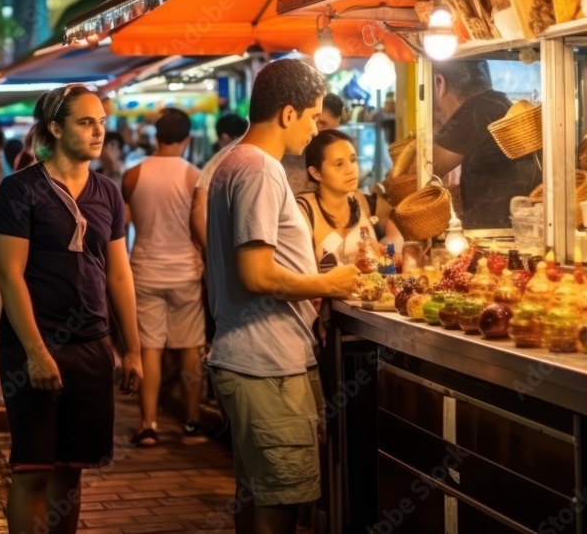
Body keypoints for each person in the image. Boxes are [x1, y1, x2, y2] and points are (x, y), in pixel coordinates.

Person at [206, 59, 361, 534]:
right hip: (265, 364)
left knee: (258, 493)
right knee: (279, 505)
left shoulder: (235, 160)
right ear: (289, 113)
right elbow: (255, 274)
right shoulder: (260, 170)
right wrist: (327, 284)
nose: (317, 128)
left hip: (257, 360)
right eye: (315, 117)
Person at [0, 83, 143, 534]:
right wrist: (36, 352)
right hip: (33, 345)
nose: (99, 132)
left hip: (92, 344)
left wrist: (131, 348)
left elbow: (119, 274)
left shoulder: (109, 192)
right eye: (86, 122)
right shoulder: (20, 190)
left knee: (71, 470)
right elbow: (9, 275)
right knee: (32, 470)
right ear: (55, 128)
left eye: (101, 122)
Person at [123, 108, 205, 446]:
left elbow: (123, 224)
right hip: (186, 272)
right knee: (190, 349)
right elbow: (201, 227)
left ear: (156, 137)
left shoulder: (133, 174)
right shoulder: (195, 176)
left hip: (143, 272)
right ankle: (191, 422)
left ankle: (148, 425)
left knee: (149, 349)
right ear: (186, 140)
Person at [432, 59, 540, 229]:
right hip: (513, 228)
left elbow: (426, 168)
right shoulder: (498, 103)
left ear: (439, 83)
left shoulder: (475, 110)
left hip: (497, 234)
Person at [296, 130, 402, 264]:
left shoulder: (361, 201)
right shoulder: (303, 210)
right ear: (316, 173)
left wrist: (387, 247)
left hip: (370, 284)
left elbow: (395, 218)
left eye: (352, 160)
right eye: (339, 164)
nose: (351, 169)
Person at [190, 113, 249, 251]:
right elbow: (198, 217)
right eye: (238, 138)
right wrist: (209, 252)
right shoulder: (215, 167)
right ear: (224, 137)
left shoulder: (213, 164)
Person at [283, 92, 345, 196]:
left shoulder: (326, 159)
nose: (323, 134)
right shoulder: (284, 152)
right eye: (321, 123)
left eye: (331, 130)